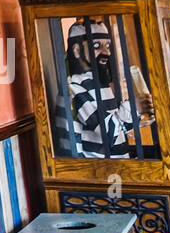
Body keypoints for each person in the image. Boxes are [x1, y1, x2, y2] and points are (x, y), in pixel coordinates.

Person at [66, 17, 154, 159]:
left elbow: (116, 128)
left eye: (108, 46)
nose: (106, 52)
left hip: (116, 167)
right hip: (100, 173)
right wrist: (133, 106)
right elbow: (104, 134)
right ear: (76, 50)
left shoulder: (98, 83)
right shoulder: (74, 87)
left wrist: (138, 115)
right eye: (96, 46)